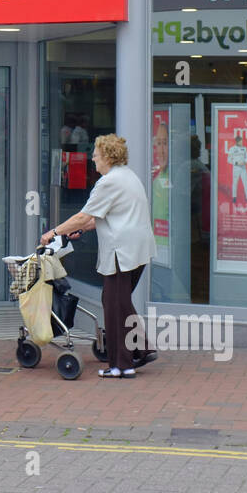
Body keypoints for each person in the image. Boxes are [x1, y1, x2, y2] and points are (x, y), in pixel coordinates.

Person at [42, 134, 156, 379]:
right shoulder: (128, 176)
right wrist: (80, 229)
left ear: (107, 156)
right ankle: (140, 349)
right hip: (138, 250)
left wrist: (53, 232)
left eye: (96, 153)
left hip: (122, 251)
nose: (92, 157)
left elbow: (84, 216)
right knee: (117, 301)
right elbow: (101, 217)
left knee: (115, 304)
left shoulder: (109, 182)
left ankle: (123, 365)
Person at [227, 135, 247, 207]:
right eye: (240, 141)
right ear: (237, 141)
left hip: (243, 168)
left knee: (246, 183)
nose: (242, 142)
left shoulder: (244, 148)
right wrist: (236, 163)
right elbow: (229, 160)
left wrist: (245, 161)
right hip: (236, 168)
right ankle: (234, 197)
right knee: (235, 183)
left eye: (242, 141)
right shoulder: (232, 149)